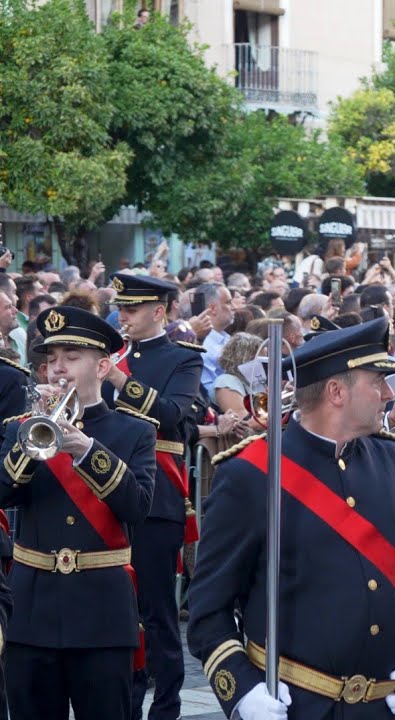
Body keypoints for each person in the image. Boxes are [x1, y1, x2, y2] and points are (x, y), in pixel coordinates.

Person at [188, 318, 395, 719]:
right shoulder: (251, 473)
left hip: (392, 706)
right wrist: (242, 692)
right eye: (377, 382)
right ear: (336, 392)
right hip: (300, 705)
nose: (389, 394)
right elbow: (209, 608)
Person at [0, 306, 153, 719]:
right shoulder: (20, 429)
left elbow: (136, 507)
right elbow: (3, 493)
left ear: (102, 366)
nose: (58, 369)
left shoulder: (134, 431)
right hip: (32, 612)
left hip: (103, 614)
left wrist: (85, 450)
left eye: (71, 357)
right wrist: (33, 433)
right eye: (51, 359)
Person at [105, 273, 204, 720]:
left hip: (157, 495)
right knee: (117, 610)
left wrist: (117, 378)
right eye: (120, 309)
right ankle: (124, 702)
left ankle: (166, 706)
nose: (122, 317)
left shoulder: (182, 360)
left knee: (157, 611)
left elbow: (171, 415)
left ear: (158, 311)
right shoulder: (110, 355)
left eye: (130, 309)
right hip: (104, 492)